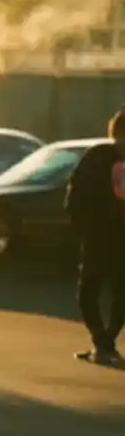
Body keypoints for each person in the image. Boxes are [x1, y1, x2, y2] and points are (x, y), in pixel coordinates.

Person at [66, 108, 125, 365]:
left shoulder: (97, 155)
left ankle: (101, 342)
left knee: (88, 290)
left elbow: (75, 194)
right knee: (121, 292)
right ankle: (108, 341)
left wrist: (83, 228)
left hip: (98, 234)